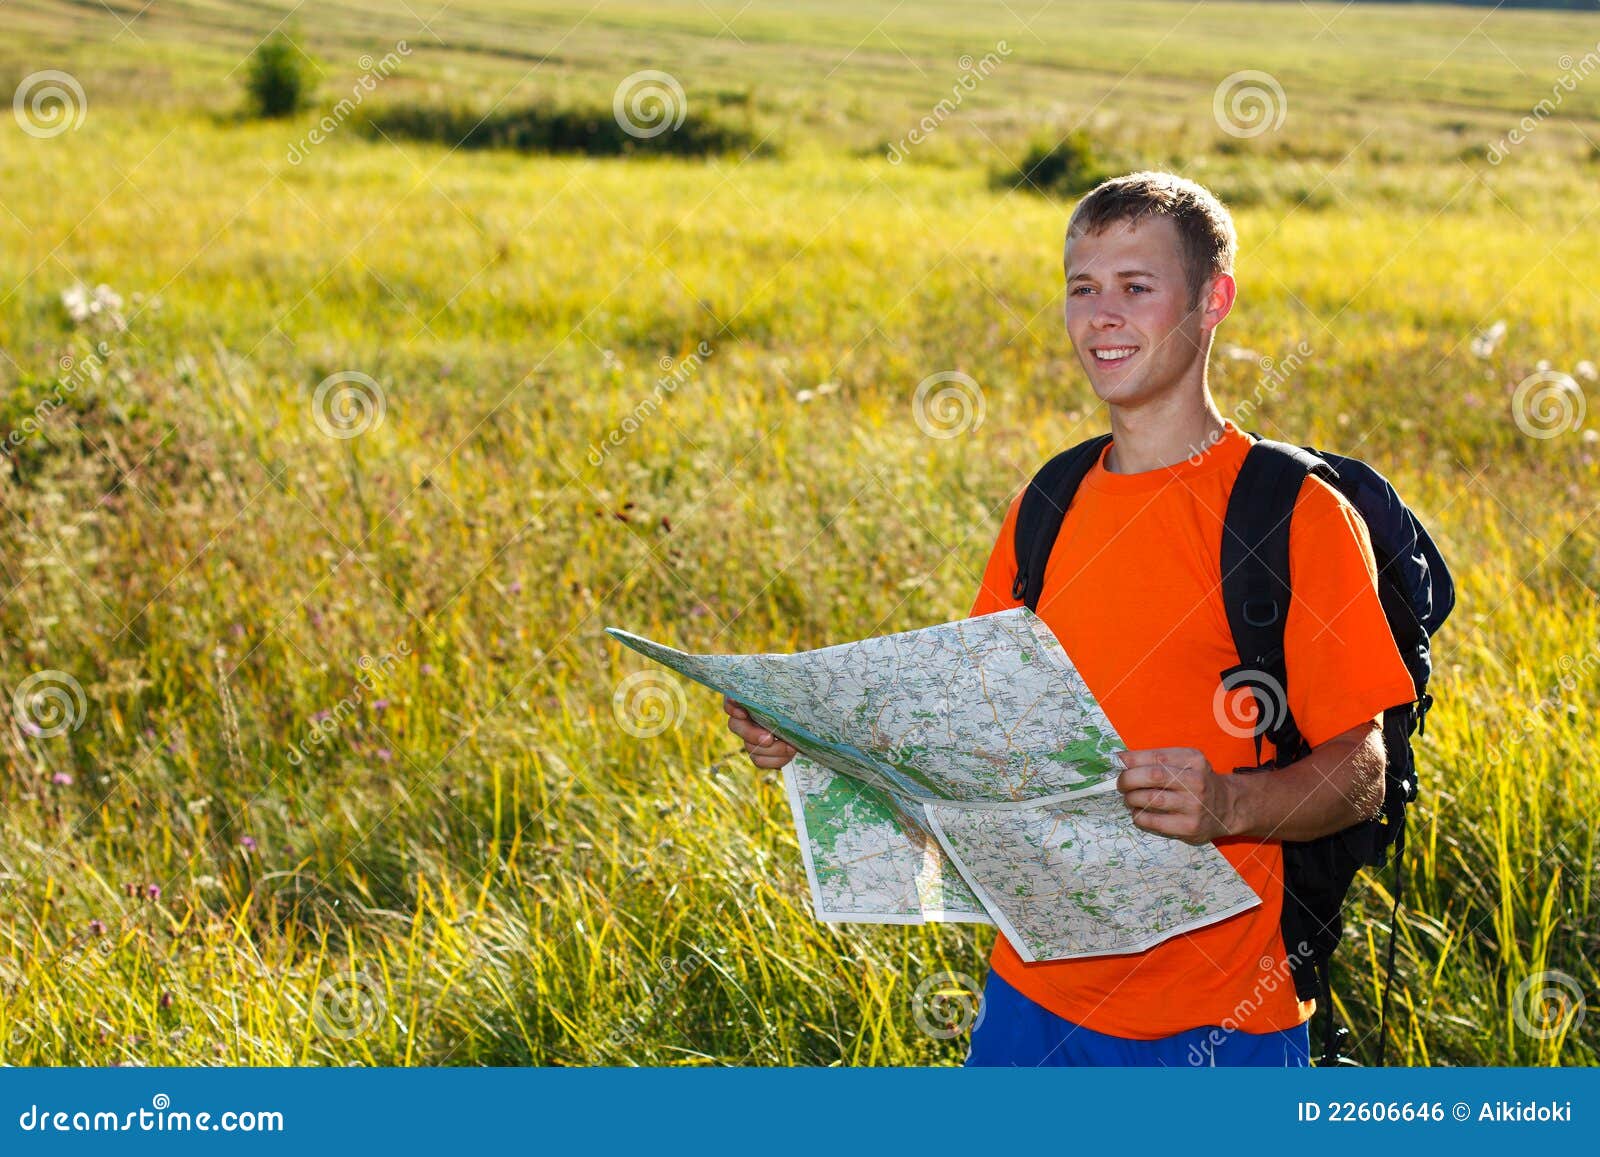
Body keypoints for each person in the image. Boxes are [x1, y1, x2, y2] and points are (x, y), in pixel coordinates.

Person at [725, 170, 1417, 1067]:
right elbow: (968, 742)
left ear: (1215, 301)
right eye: (1082, 289)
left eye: (1137, 287)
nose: (1102, 317)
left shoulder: (1294, 517)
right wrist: (810, 739)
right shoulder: (1047, 504)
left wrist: (1230, 802)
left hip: (1219, 1018)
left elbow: (1364, 767)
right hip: (1030, 999)